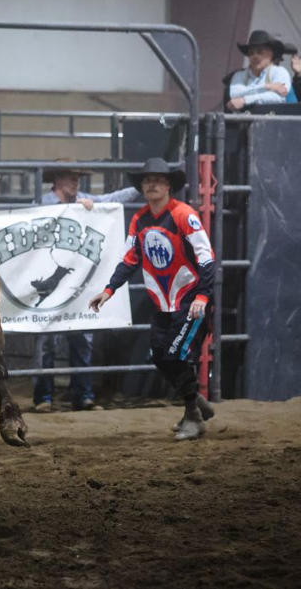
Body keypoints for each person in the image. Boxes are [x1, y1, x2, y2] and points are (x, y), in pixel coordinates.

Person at [88, 157, 215, 441]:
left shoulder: (183, 215)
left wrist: (204, 296)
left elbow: (206, 259)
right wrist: (108, 291)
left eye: (157, 180)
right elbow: (129, 259)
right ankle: (194, 402)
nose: (151, 184)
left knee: (174, 354)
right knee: (160, 356)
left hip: (190, 300)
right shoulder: (140, 219)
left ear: (168, 185)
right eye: (147, 180)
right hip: (163, 304)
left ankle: (194, 413)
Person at [32, 161, 141, 412]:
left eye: (77, 178)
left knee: (82, 338)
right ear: (57, 180)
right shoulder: (42, 205)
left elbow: (112, 199)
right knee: (48, 341)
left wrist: (138, 185)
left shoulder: (83, 200)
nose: (75, 182)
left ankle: (82, 395)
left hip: (77, 283)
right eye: (71, 178)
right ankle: (44, 398)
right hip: (55, 280)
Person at [226, 30, 291, 111]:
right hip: (243, 122)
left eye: (260, 52)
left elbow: (278, 98)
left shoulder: (280, 72)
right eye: (251, 53)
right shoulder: (239, 75)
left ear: (271, 54)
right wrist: (267, 86)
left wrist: (245, 100)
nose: (255, 56)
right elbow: (234, 94)